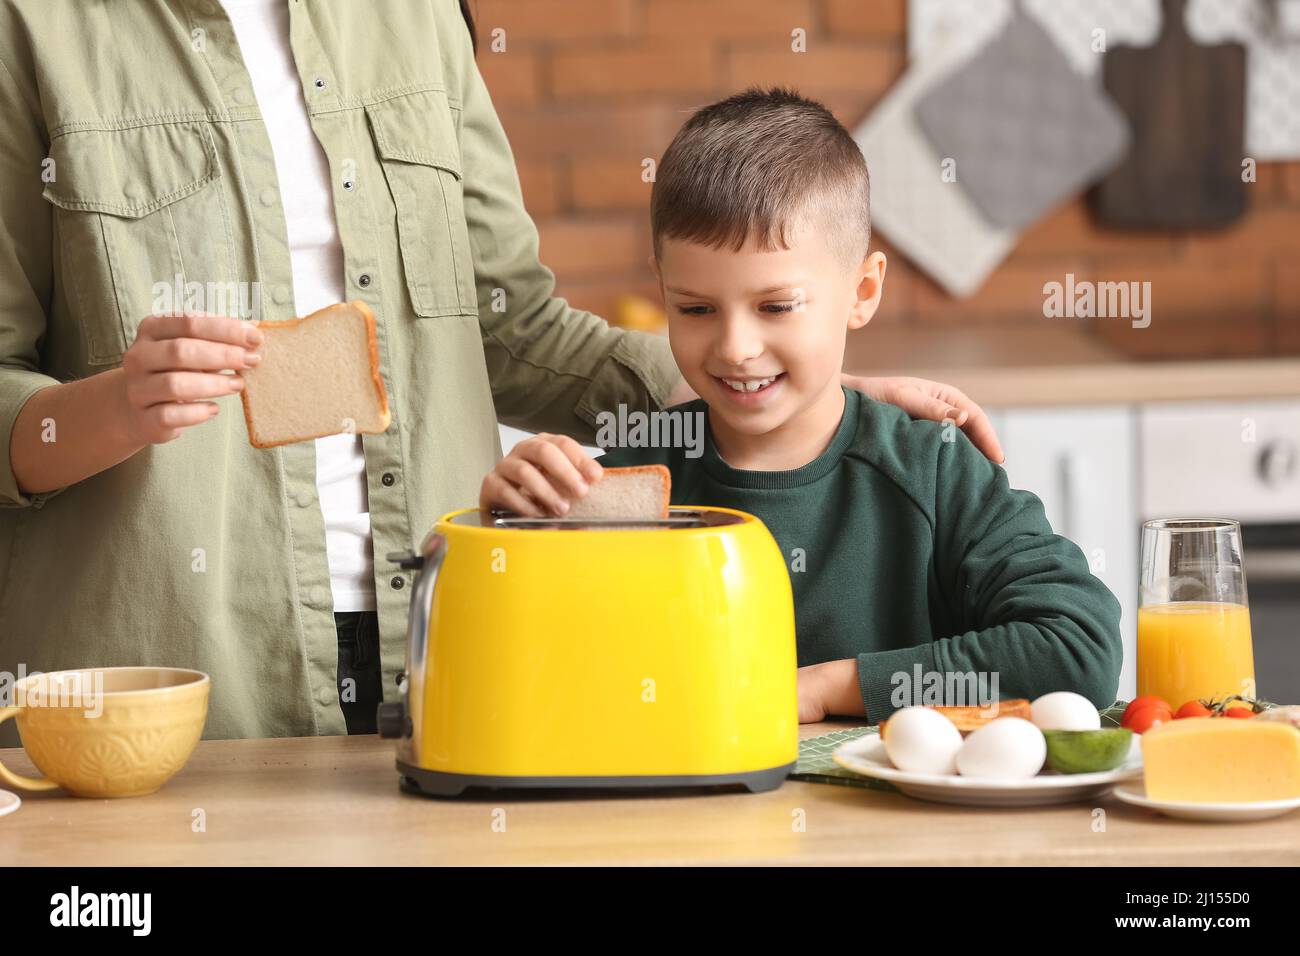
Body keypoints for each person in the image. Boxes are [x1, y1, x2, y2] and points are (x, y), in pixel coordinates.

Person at [0, 1, 1001, 746]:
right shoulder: (31, 23)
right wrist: (113, 409)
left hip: (446, 647)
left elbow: (510, 323)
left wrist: (803, 404)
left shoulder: (413, 14)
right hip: (178, 674)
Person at [480, 88, 1123, 724]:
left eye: (776, 307)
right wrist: (505, 536)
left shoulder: (932, 469)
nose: (735, 348)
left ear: (862, 291)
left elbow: (1080, 648)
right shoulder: (631, 479)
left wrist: (827, 688)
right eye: (695, 308)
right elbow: (524, 668)